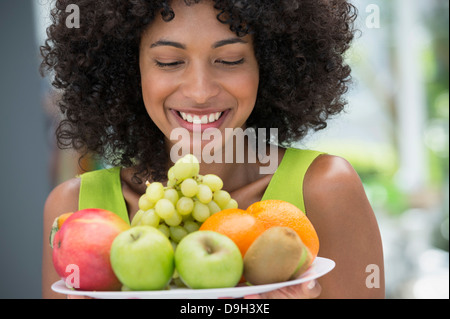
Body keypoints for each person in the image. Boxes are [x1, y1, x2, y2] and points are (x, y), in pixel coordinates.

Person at [41, 0, 385, 299]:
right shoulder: (73, 209)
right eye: (168, 61)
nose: (201, 91)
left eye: (231, 59)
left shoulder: (326, 189)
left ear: (266, 65)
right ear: (131, 71)